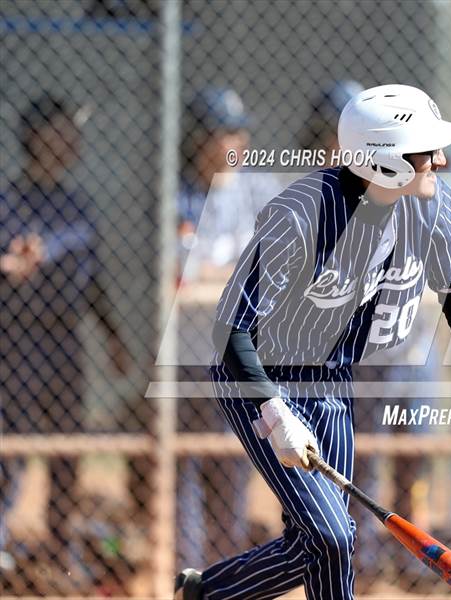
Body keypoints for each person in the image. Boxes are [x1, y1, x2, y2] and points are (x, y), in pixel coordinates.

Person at [174, 84, 451, 600]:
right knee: (332, 534)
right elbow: (232, 330)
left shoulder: (430, 205)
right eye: (426, 151)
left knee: (324, 540)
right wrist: (274, 413)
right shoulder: (300, 215)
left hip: (329, 379)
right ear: (383, 161)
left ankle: (208, 594)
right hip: (257, 377)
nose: (442, 162)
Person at [0, 94, 128, 580]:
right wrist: (8, 265)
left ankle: (58, 551)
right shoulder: (8, 201)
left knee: (68, 450)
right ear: (36, 137)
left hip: (65, 341)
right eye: (61, 128)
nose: (73, 138)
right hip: (16, 339)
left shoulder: (79, 203)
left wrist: (113, 336)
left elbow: (93, 279)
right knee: (11, 448)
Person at [172, 87, 275, 569]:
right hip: (190, 355)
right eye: (224, 132)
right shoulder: (179, 196)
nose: (236, 140)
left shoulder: (258, 191)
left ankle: (226, 565)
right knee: (185, 465)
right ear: (199, 139)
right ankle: (187, 569)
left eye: (239, 130)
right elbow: (180, 274)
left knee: (235, 463)